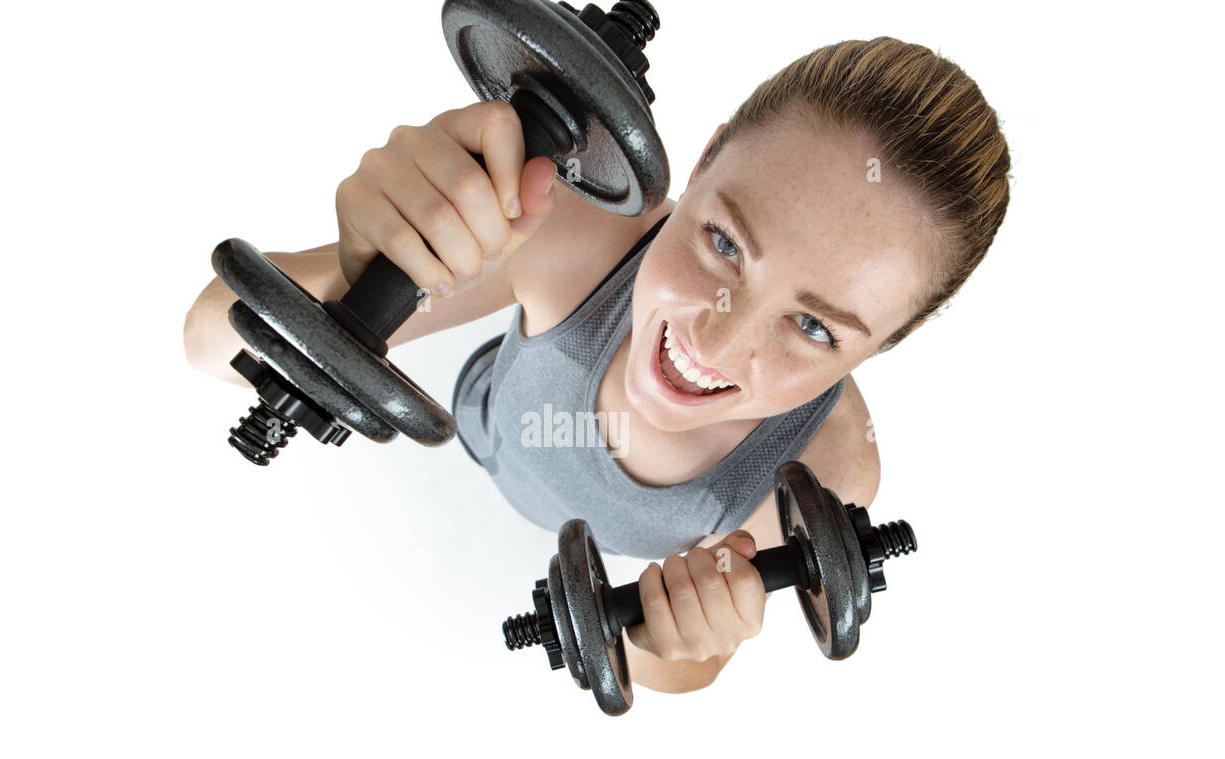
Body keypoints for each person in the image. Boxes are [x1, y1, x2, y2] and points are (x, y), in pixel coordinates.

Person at [185, 36, 1011, 696]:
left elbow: (661, 665)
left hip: (546, 534)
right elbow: (209, 344)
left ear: (887, 344)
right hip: (483, 412)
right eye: (723, 243)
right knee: (471, 406)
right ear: (703, 162)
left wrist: (681, 634)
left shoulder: (827, 471)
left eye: (813, 327)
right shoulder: (569, 236)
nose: (715, 347)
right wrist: (377, 257)